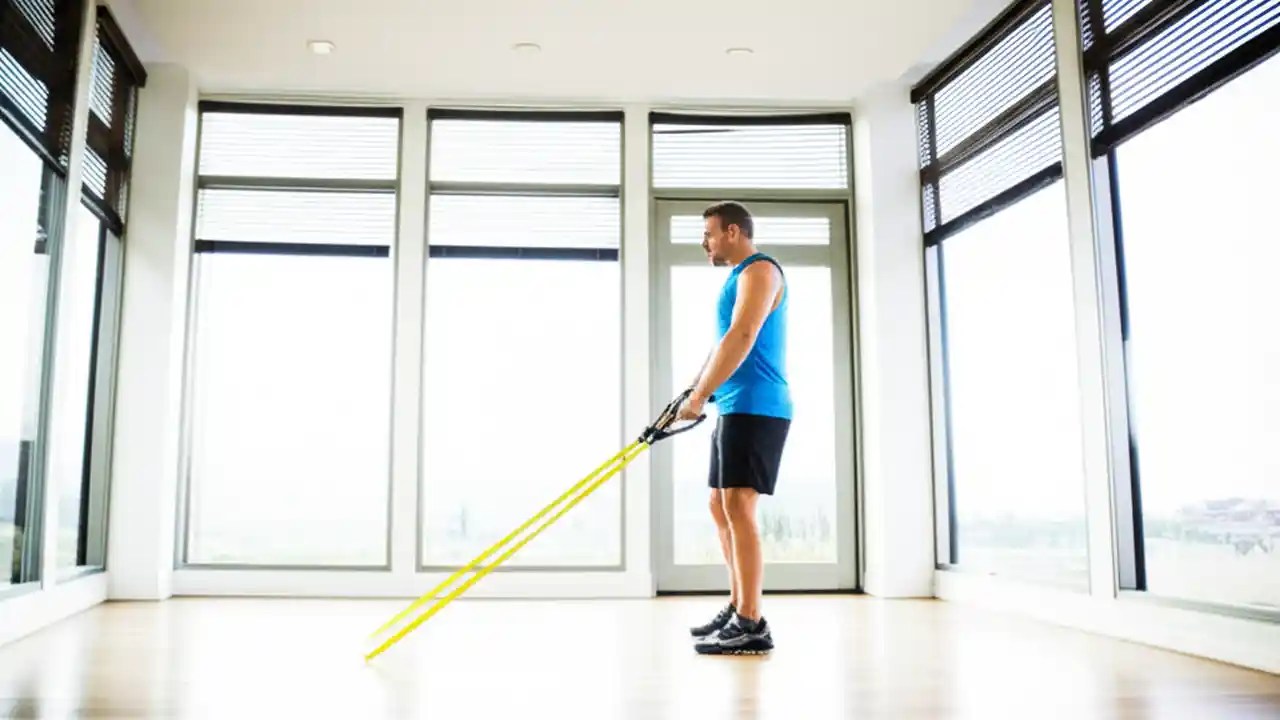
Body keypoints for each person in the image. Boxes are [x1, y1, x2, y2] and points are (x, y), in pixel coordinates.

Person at [676, 200, 790, 656]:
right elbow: (724, 342)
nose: (704, 242)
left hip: (759, 405)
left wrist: (701, 396)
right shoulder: (738, 276)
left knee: (739, 505)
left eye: (708, 233)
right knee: (719, 506)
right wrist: (693, 390)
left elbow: (743, 336)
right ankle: (738, 603)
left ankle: (751, 622)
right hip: (735, 405)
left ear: (733, 232)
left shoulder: (760, 270)